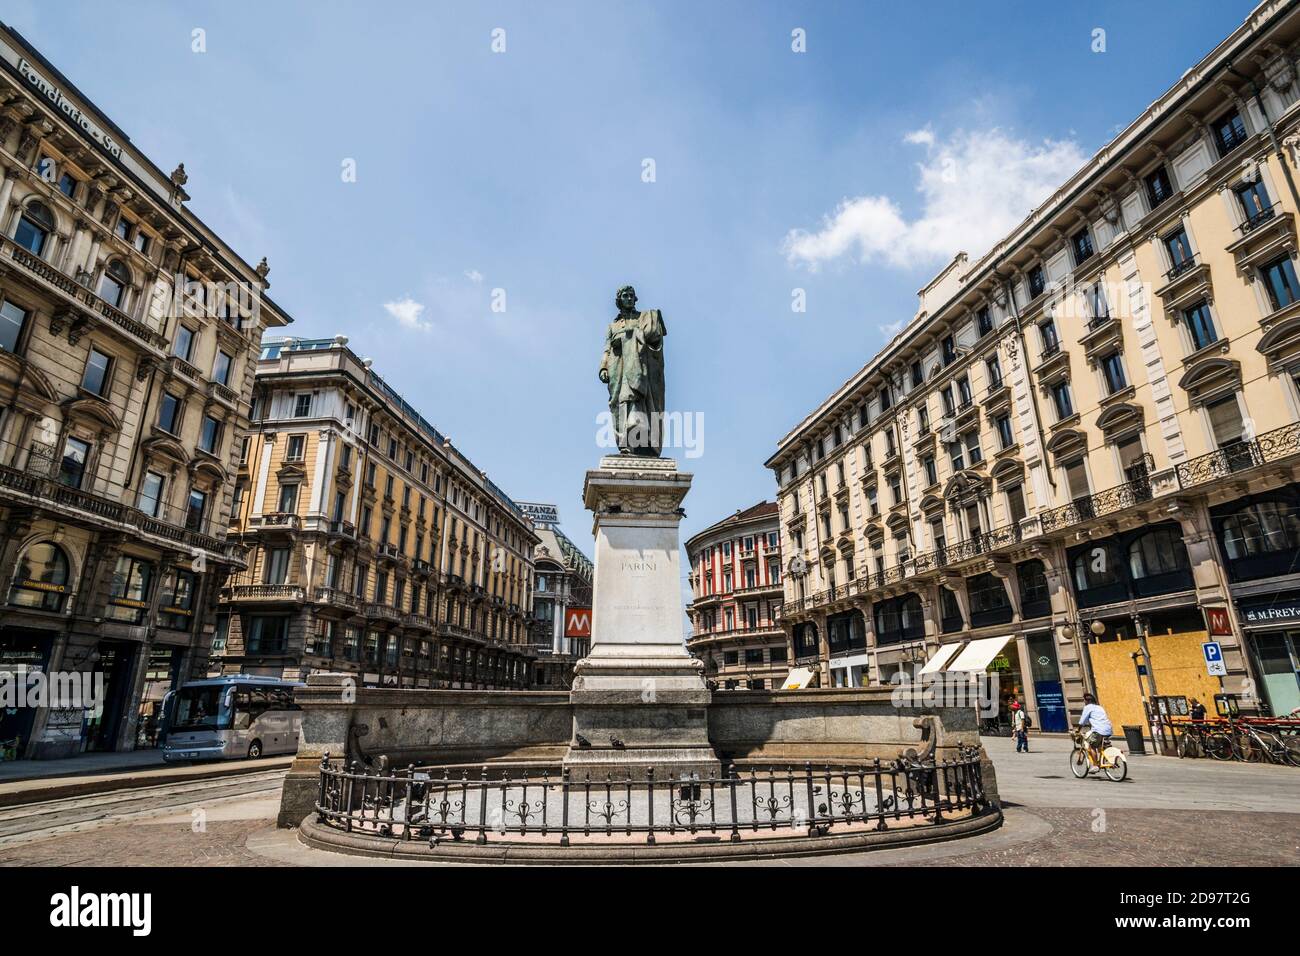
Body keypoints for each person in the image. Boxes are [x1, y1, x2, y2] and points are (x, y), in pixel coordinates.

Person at [1078, 692, 1113, 764]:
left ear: (1087, 701)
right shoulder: (1099, 707)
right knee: (1099, 744)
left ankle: (1095, 765)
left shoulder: (1087, 707)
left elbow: (1082, 722)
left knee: (1091, 746)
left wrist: (1078, 730)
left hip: (1098, 730)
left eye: (1084, 700)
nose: (1084, 702)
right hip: (1108, 730)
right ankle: (1104, 758)